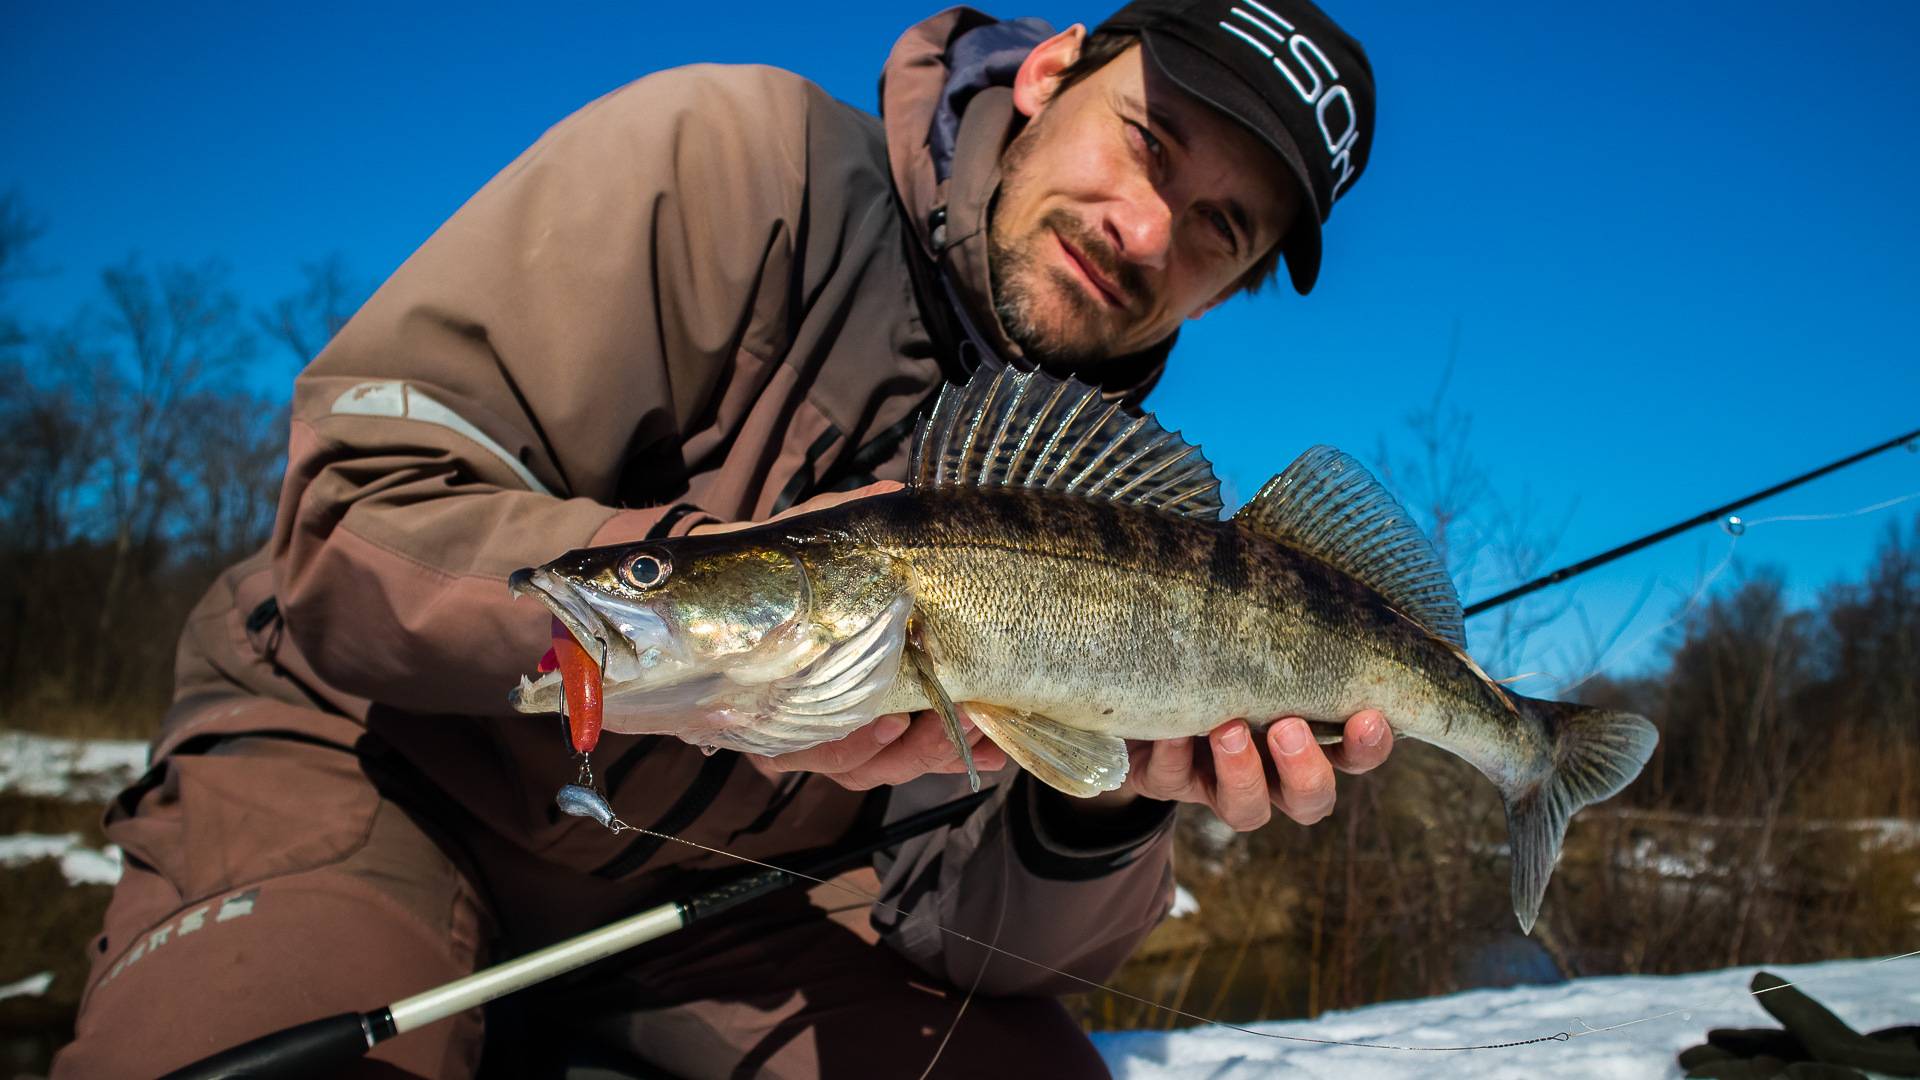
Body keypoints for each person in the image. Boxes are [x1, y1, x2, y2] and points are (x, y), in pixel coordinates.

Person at [56, 1, 1387, 1076]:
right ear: (1050, 71)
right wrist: (688, 614)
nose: (1148, 231)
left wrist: (1095, 818)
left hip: (716, 901)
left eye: (1222, 227)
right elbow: (354, 518)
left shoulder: (1110, 504)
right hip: (374, 766)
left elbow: (960, 937)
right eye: (1151, 143)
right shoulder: (738, 161)